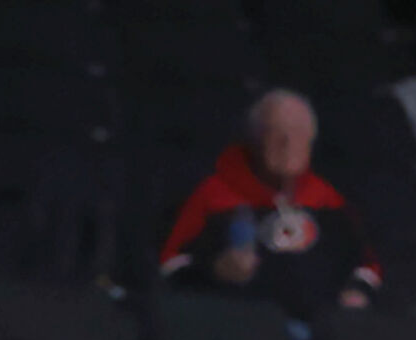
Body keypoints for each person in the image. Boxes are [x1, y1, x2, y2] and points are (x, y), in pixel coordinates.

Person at [159, 89, 381, 327]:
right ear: (255, 139)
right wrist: (214, 271)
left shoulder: (328, 198)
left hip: (325, 331)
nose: (288, 142)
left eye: (299, 132)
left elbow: (366, 265)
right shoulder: (213, 194)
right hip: (239, 329)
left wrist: (358, 293)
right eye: (275, 132)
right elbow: (171, 265)